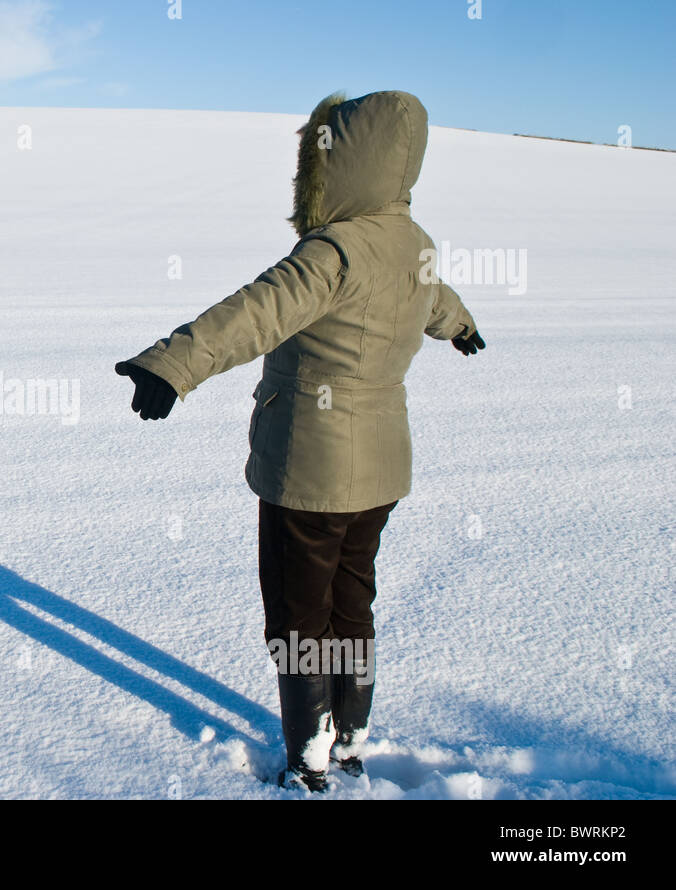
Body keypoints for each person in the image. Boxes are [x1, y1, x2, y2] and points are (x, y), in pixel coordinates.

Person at [115, 90, 485, 792]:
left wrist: (172, 363)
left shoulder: (334, 251)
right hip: (382, 471)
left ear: (338, 165)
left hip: (310, 471)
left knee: (299, 616)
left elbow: (257, 311)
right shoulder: (416, 244)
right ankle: (350, 739)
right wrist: (461, 326)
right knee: (352, 604)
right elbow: (436, 301)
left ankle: (307, 761)